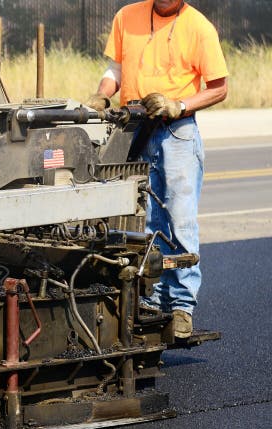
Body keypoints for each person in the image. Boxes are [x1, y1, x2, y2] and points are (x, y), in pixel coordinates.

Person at [85, 0, 228, 338]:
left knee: (178, 219)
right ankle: (151, 298)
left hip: (177, 132)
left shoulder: (198, 27)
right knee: (142, 220)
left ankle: (181, 306)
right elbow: (115, 70)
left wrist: (179, 104)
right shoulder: (127, 17)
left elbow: (219, 88)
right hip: (134, 129)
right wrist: (103, 95)